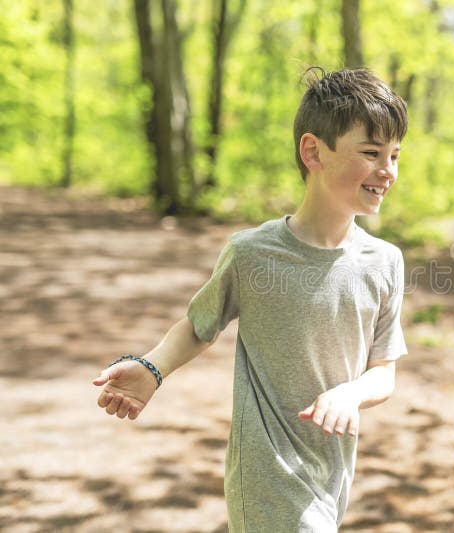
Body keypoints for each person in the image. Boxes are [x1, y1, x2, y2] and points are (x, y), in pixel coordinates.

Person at [92, 67, 409, 532]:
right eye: (371, 153)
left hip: (333, 472)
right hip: (267, 476)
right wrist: (151, 369)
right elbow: (199, 326)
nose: (388, 171)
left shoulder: (384, 262)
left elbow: (384, 373)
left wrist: (351, 393)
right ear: (313, 151)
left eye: (395, 156)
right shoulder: (253, 253)